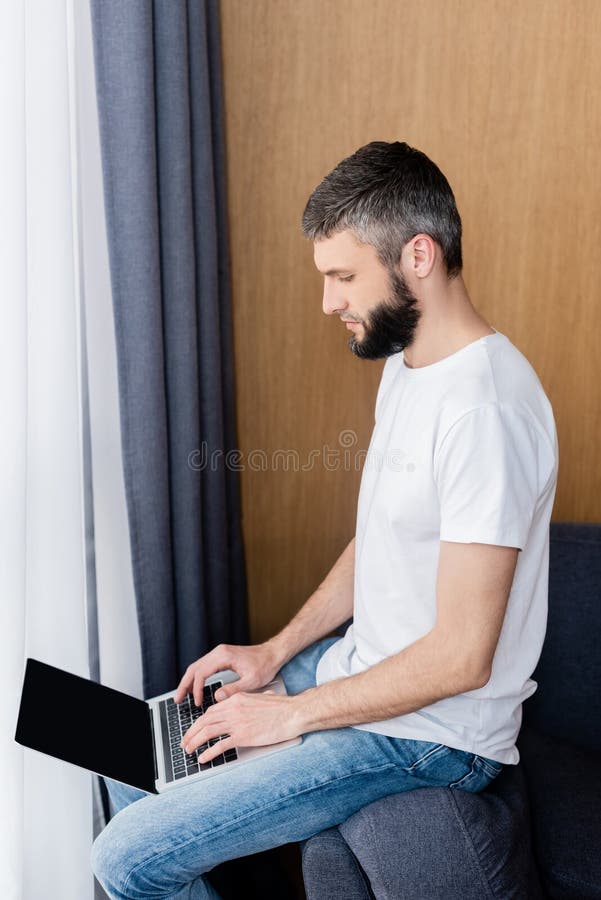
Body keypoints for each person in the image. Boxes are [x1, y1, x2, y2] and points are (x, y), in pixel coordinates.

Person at [92, 141, 558, 899]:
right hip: (365, 672)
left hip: (431, 734)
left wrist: (294, 716)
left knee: (126, 859)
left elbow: (462, 659)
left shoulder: (486, 412)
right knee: (131, 755)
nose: (328, 302)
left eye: (343, 276)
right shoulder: (408, 366)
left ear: (417, 256)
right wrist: (274, 653)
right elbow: (382, 538)